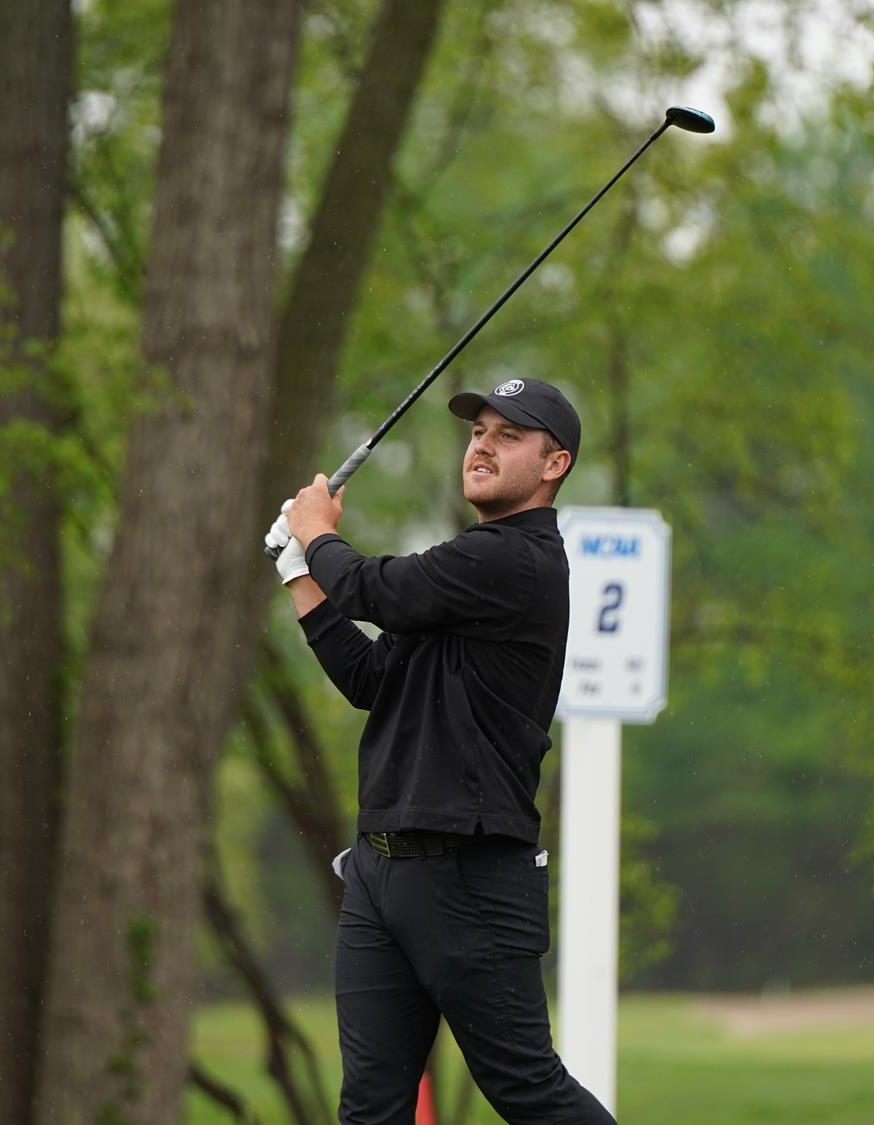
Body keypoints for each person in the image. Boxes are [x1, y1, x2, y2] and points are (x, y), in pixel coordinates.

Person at [265, 377, 614, 1124]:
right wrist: (299, 571)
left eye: (508, 434)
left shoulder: (516, 563)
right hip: (380, 874)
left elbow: (371, 589)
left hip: (471, 875)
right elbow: (367, 678)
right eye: (478, 429)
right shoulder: (463, 571)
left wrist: (318, 532)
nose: (482, 443)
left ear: (554, 464)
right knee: (370, 1107)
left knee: (528, 1089)